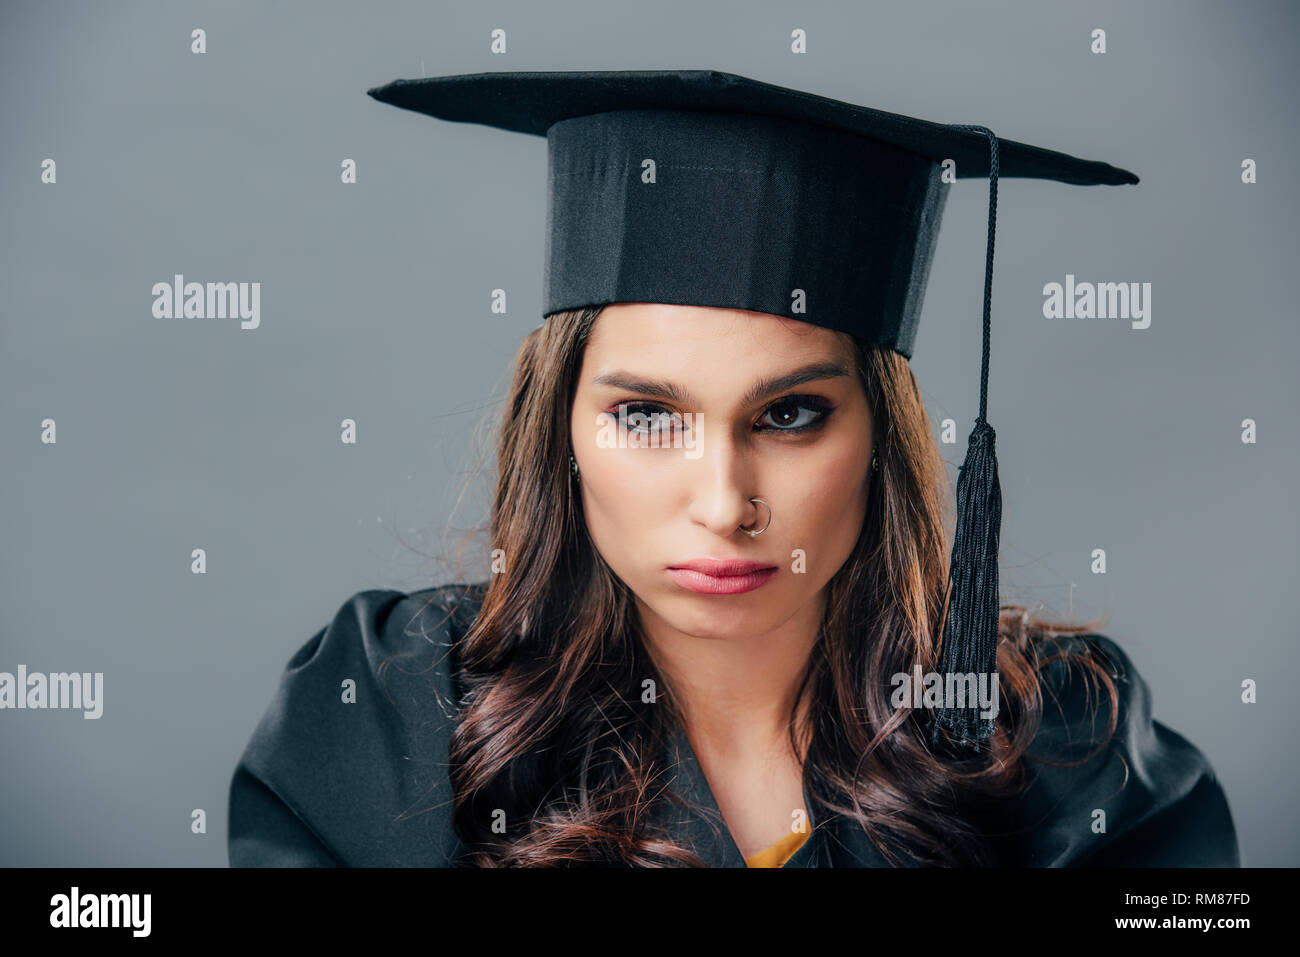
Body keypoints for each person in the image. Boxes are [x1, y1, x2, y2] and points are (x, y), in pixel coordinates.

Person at [228, 70, 1239, 867]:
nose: (723, 503)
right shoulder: (400, 712)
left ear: (880, 437)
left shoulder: (1061, 741)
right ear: (561, 431)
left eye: (791, 414)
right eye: (646, 414)